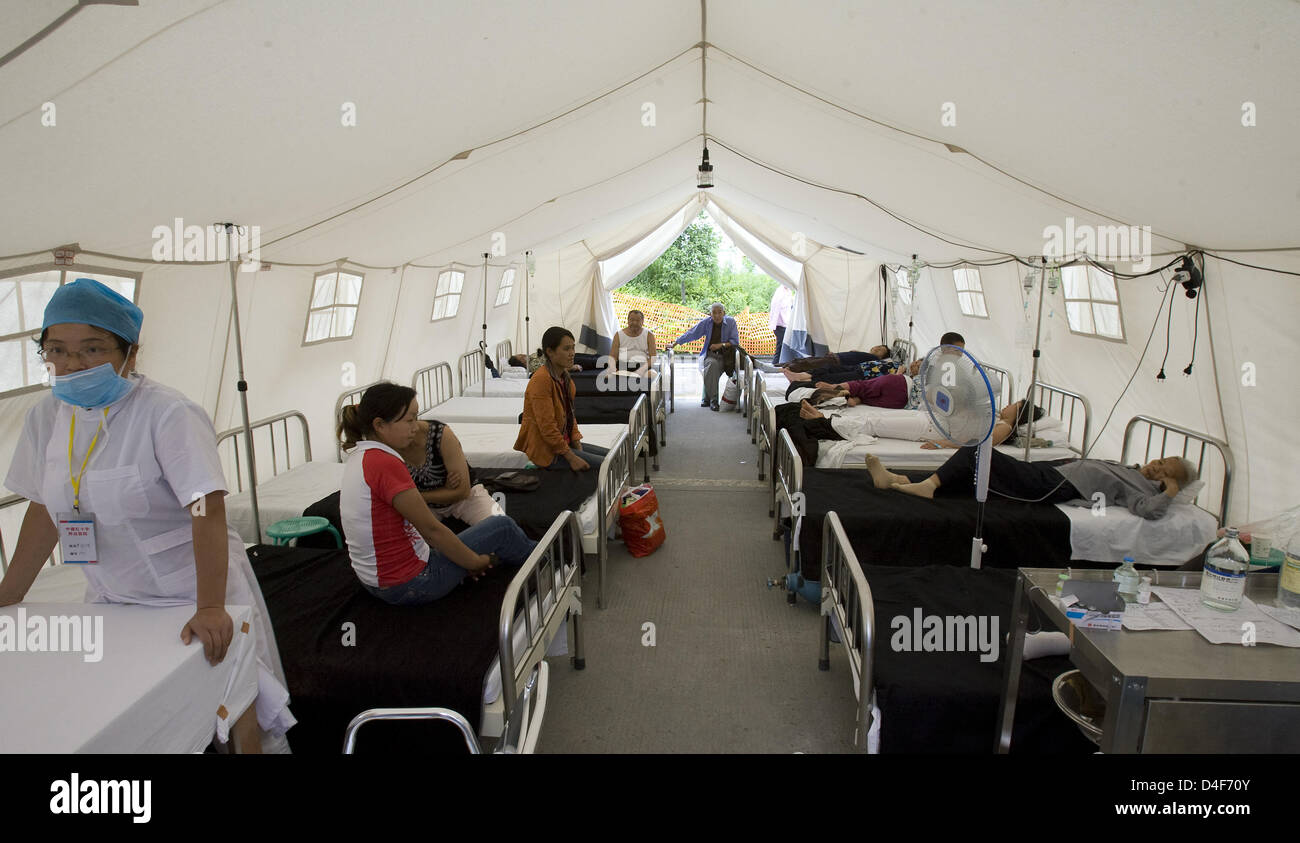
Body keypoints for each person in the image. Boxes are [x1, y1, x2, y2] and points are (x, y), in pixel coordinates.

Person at [0, 278, 294, 753]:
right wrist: (10, 593)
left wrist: (211, 605)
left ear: (130, 353)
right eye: (57, 349)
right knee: (145, 720)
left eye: (92, 348)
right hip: (113, 601)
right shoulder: (46, 417)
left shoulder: (167, 412)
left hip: (191, 591)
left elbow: (207, 509)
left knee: (237, 717)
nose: (73, 364)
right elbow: (42, 507)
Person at [338, 383, 537, 605]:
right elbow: (433, 532)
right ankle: (545, 561)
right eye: (409, 420)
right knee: (502, 527)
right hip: (412, 583)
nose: (415, 426)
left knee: (470, 539)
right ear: (380, 425)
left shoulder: (359, 456)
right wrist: (474, 562)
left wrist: (461, 561)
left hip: (373, 581)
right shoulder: (386, 462)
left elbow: (458, 494)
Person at [866, 447, 1197, 520]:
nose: (1156, 465)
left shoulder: (1141, 491)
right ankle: (901, 480)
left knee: (976, 451)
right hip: (1054, 470)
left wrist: (1170, 491)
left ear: (1169, 480)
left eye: (1164, 469)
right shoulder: (1130, 468)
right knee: (975, 475)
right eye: (1161, 460)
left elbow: (1148, 512)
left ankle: (925, 486)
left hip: (1055, 484)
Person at [514, 326, 609, 471]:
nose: (572, 354)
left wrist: (577, 445)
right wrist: (572, 458)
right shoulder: (541, 380)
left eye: (573, 348)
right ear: (550, 352)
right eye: (566, 349)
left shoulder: (565, 378)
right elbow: (547, 428)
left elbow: (570, 416)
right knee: (607, 466)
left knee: (613, 456)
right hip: (547, 451)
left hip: (565, 442)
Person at [396, 418, 503, 524]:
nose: (415, 427)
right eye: (408, 420)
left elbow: (463, 491)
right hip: (423, 506)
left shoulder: (439, 433)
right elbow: (398, 497)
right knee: (402, 538)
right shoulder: (385, 448)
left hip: (466, 498)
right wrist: (444, 490)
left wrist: (414, 496)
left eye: (413, 417)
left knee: (500, 526)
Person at [670, 302, 740, 410]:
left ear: (724, 313)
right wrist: (675, 343)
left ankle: (706, 398)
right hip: (711, 356)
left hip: (727, 357)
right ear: (710, 314)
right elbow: (692, 333)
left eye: (719, 312)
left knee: (712, 370)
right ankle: (714, 400)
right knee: (712, 366)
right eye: (714, 313)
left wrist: (720, 345)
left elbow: (735, 342)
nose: (717, 315)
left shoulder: (731, 322)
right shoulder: (707, 323)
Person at [768, 285, 794, 365]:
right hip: (780, 324)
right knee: (781, 345)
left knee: (782, 345)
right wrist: (774, 324)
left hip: (784, 324)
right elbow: (776, 310)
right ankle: (776, 363)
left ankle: (778, 363)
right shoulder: (780, 292)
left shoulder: (788, 292)